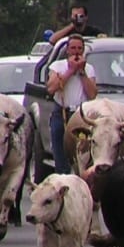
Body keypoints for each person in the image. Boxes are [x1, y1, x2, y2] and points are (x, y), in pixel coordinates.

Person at [45, 33, 97, 175]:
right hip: (61, 113)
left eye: (79, 48)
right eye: (73, 48)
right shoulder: (57, 66)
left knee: (82, 152)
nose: (76, 51)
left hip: (81, 114)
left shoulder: (89, 69)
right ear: (67, 50)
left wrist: (81, 72)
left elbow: (92, 94)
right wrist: (71, 70)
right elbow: (51, 88)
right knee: (60, 151)